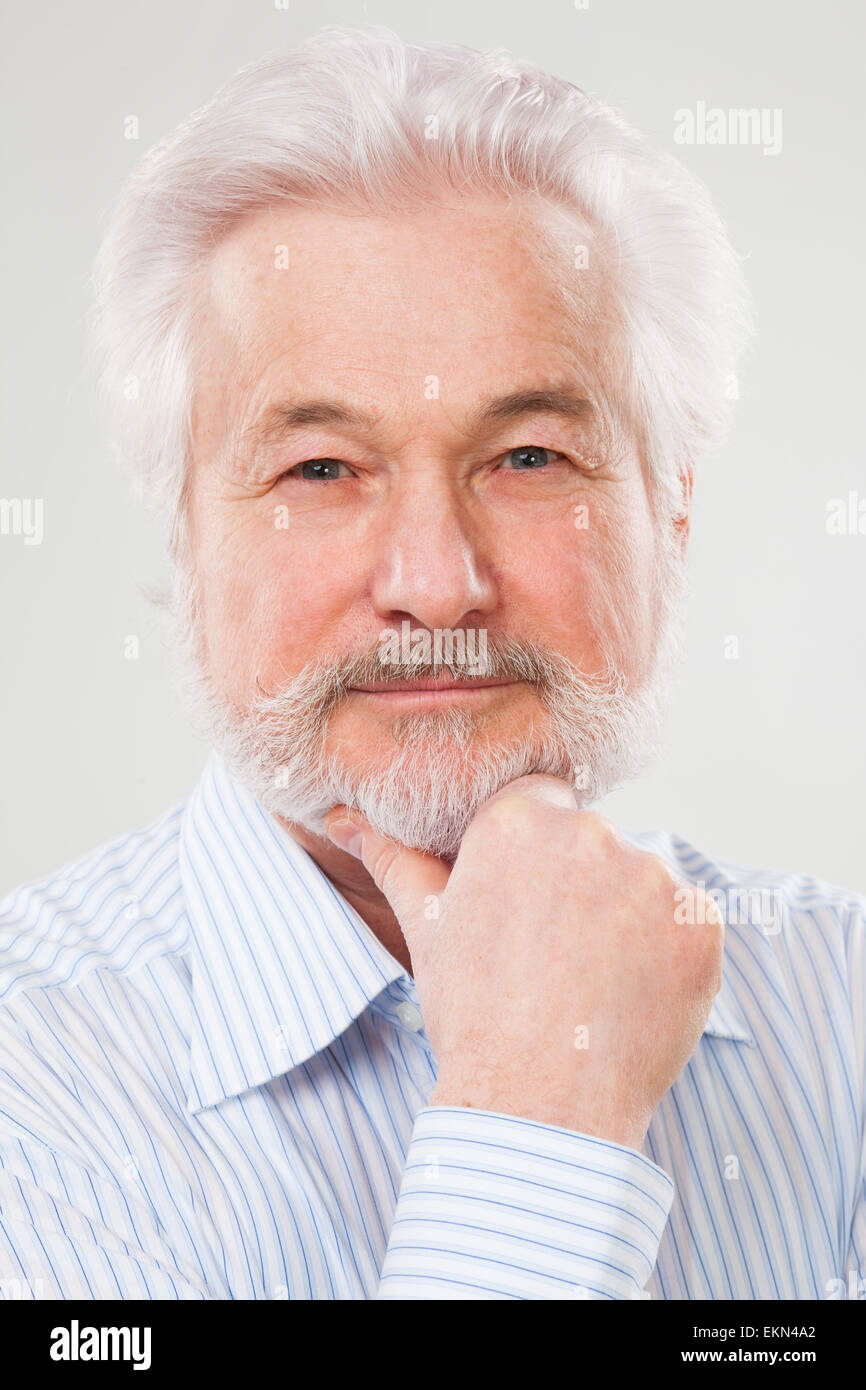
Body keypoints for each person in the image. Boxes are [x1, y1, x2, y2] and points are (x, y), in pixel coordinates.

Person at [1, 24, 862, 1301]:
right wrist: (537, 1125)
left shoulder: (841, 1001)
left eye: (525, 457)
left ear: (668, 511)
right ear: (186, 536)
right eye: (320, 470)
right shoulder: (32, 1079)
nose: (433, 582)